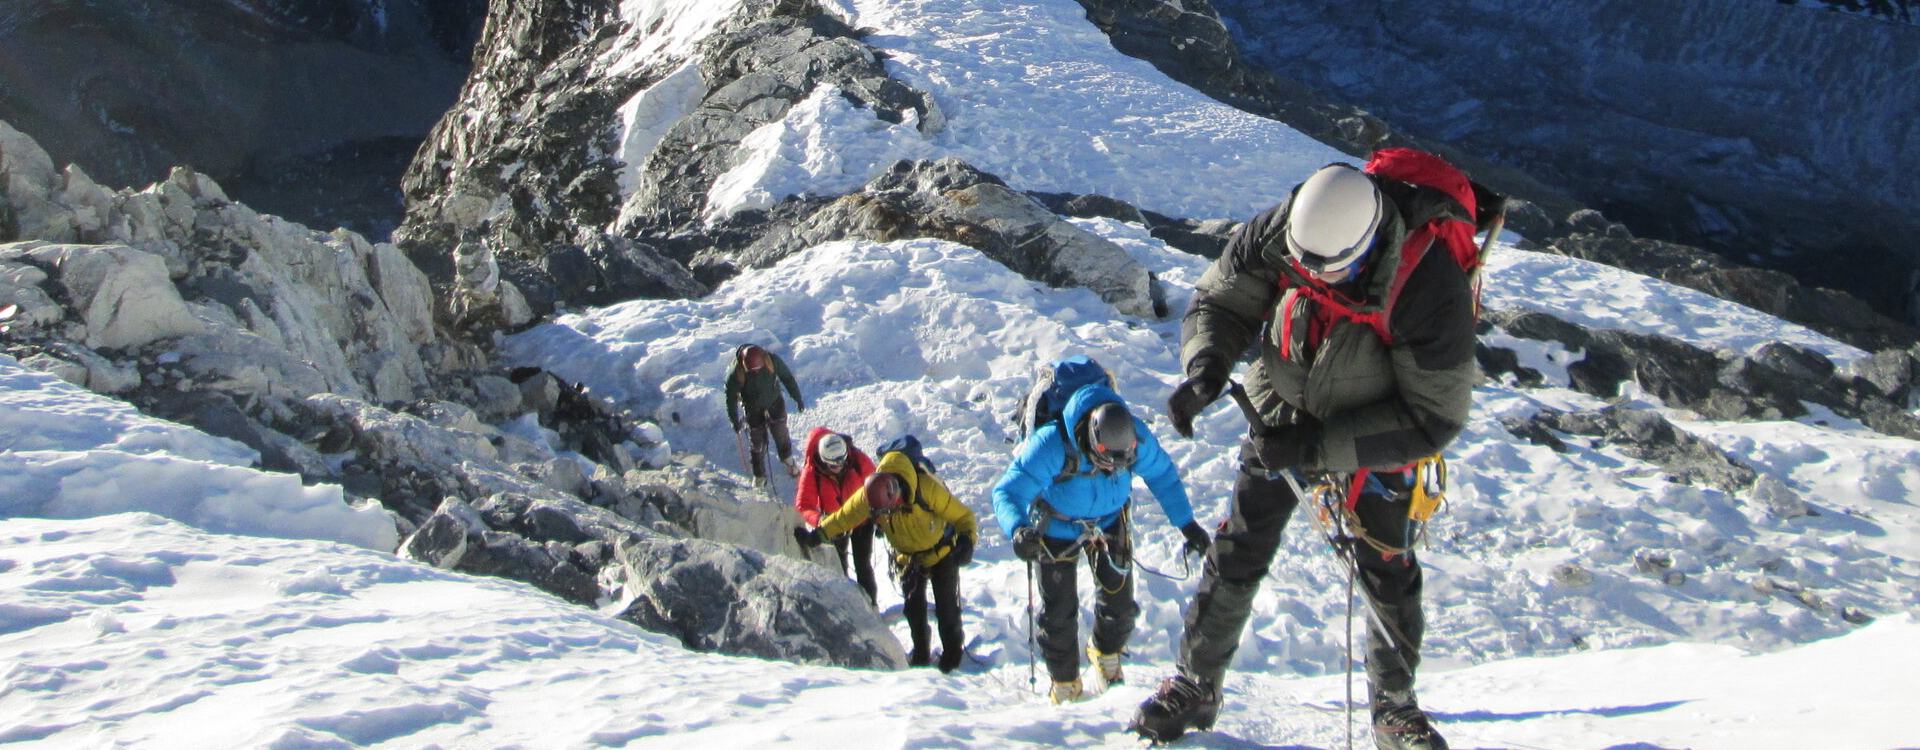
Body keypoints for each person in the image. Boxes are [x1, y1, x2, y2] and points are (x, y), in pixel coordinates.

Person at [1131, 160, 1491, 750]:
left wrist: (1316, 449)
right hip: (1282, 403)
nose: (1314, 276)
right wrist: (1206, 365)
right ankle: (1196, 682)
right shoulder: (1283, 229)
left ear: (1366, 243)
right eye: (1305, 265)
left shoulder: (1428, 285)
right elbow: (1222, 300)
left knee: (1385, 566)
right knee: (1240, 544)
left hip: (1378, 432)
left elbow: (1434, 418)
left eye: (1331, 269)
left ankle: (1395, 707)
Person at [992, 383, 1208, 705]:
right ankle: (1065, 681)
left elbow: (1162, 474)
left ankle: (1106, 653)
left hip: (1109, 520)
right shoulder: (1052, 443)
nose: (1111, 469)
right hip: (1056, 526)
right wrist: (1018, 529)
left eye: (1118, 465)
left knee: (1120, 604)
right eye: (1105, 462)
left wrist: (1186, 523)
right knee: (1058, 613)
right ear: (1090, 441)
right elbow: (1007, 491)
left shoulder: (1135, 436)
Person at [795, 442, 978, 673]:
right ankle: (921, 655)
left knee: (947, 609)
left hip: (941, 552)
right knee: (913, 610)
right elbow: (845, 516)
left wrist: (967, 541)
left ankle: (952, 658)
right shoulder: (871, 495)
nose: (882, 516)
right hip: (908, 559)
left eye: (885, 511)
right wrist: (818, 535)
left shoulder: (927, 489)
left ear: (896, 496)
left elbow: (964, 516)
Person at [794, 428, 878, 605]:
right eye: (833, 465)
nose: (839, 467)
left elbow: (876, 485)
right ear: (823, 460)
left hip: (862, 521)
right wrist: (820, 520)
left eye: (842, 461)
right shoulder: (812, 470)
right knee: (839, 568)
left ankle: (871, 606)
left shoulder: (857, 459)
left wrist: (880, 517)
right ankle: (847, 606)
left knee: (863, 565)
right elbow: (804, 504)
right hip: (834, 525)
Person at [724, 344, 806, 487]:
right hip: (752, 409)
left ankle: (787, 459)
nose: (756, 372)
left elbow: (787, 377)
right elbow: (730, 398)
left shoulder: (772, 361)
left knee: (781, 433)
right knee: (757, 443)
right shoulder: (735, 372)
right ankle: (759, 475)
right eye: (752, 370)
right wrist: (734, 419)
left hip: (775, 403)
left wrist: (797, 397)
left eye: (758, 369)